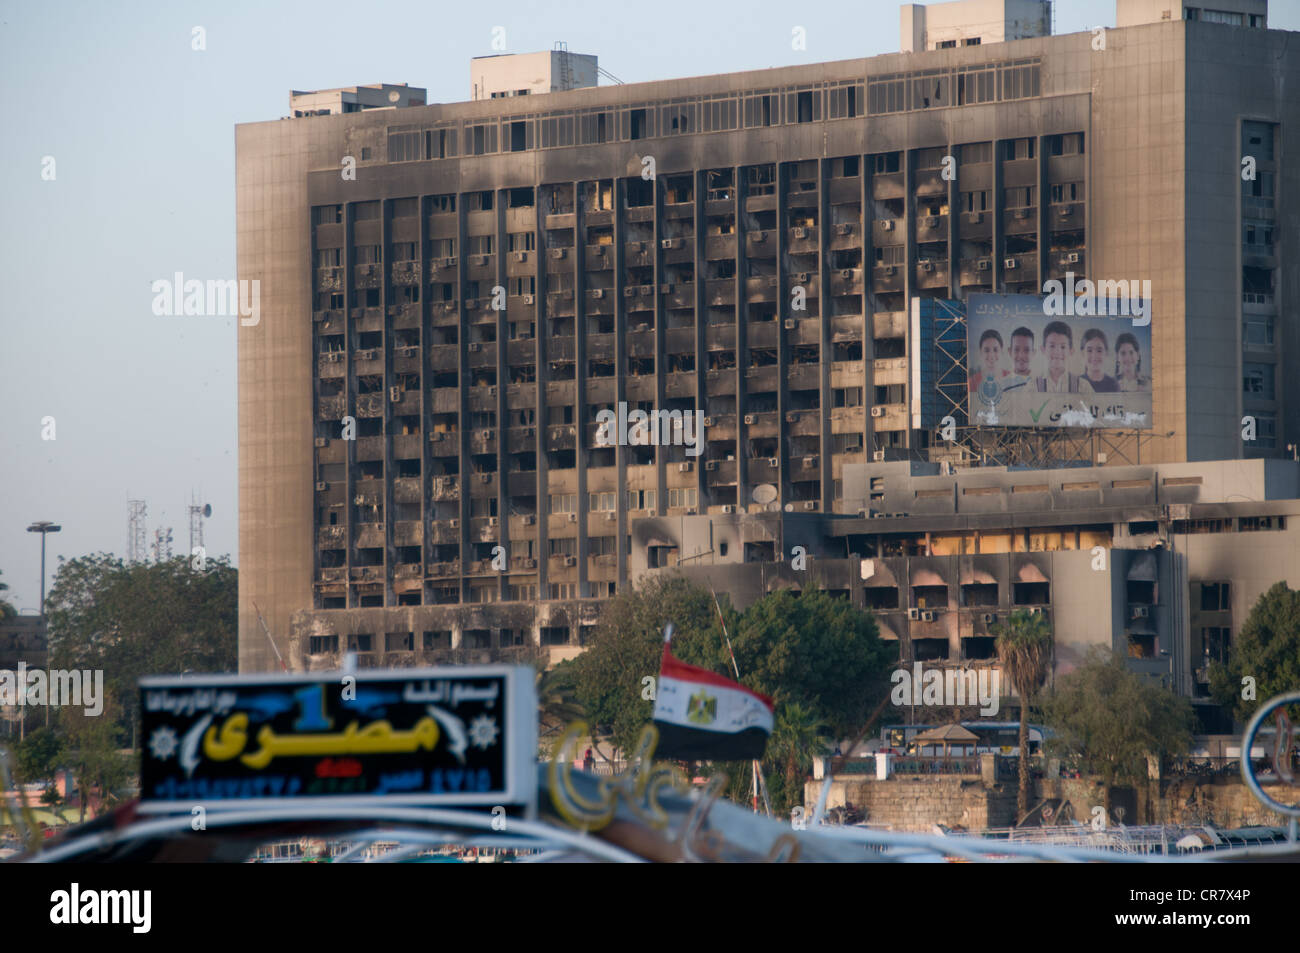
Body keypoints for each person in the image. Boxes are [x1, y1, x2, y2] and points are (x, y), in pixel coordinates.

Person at [1034, 321, 1081, 393]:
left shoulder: (1082, 385)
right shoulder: (1033, 385)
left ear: (1071, 351)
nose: (1057, 352)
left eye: (1063, 347)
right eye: (1052, 346)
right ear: (1043, 349)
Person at [968, 329, 1011, 393]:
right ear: (980, 352)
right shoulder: (972, 382)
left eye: (995, 350)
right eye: (987, 350)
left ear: (1002, 351)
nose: (991, 355)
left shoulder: (1012, 379)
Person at [1078, 328, 1119, 393]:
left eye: (1099, 350)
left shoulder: (1113, 385)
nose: (1094, 355)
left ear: (1106, 352)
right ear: (1082, 353)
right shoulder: (1076, 383)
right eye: (1089, 350)